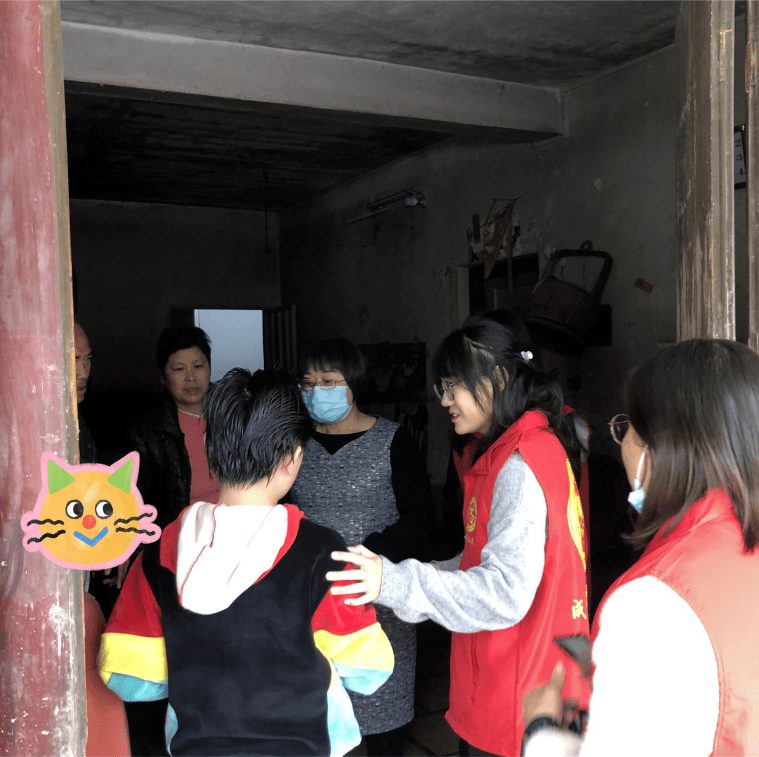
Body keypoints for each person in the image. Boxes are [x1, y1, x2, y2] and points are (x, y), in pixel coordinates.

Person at [327, 312, 591, 757]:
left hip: (521, 691)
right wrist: (413, 573)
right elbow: (484, 558)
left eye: (455, 386)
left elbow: (504, 590)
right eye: (442, 387)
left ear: (499, 378)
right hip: (527, 679)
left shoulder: (519, 465)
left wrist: (395, 582)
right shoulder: (519, 449)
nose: (445, 400)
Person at [99, 368, 394, 756]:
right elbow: (369, 669)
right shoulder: (321, 551)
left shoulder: (157, 556)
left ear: (211, 452)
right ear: (293, 458)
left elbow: (129, 676)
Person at [521, 338, 759, 757]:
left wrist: (540, 729)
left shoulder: (654, 603)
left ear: (660, 445)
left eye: (625, 427)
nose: (621, 443)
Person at [287, 337, 433, 756]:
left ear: (353, 383)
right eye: (308, 383)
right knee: (317, 711)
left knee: (382, 708)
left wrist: (368, 554)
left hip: (377, 592)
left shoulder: (393, 440)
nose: (316, 391)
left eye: (328, 381)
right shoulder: (294, 444)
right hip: (311, 596)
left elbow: (419, 517)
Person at [129, 326, 218, 531]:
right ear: (162, 376)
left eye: (198, 366)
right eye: (179, 369)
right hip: (180, 538)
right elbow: (139, 507)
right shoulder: (146, 434)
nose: (190, 377)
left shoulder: (235, 415)